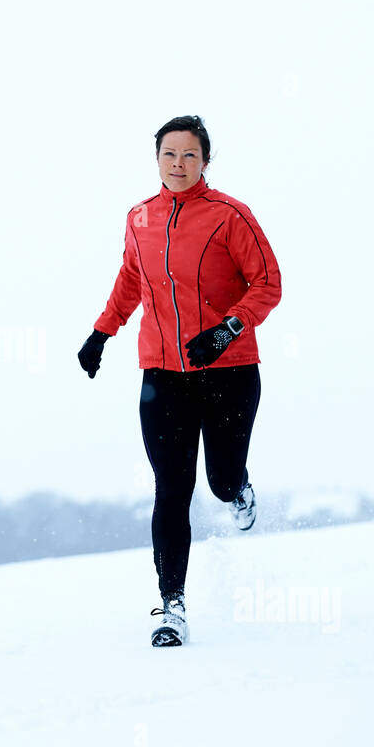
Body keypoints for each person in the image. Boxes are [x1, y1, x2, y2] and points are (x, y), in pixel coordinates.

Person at [77, 115, 282, 647]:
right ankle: (171, 607)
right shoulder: (139, 218)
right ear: (157, 159)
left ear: (205, 161)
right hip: (163, 377)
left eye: (190, 155)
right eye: (170, 154)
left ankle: (238, 492)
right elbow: (130, 279)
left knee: (220, 479)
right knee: (172, 489)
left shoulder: (230, 215)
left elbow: (268, 283)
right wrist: (101, 333)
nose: (179, 163)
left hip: (230, 372)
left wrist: (227, 329)